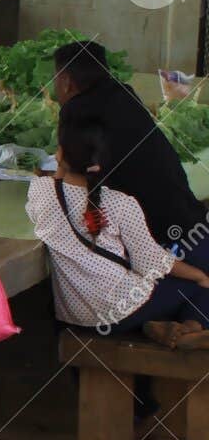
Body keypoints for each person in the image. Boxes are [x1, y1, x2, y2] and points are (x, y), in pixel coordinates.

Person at [29, 115, 209, 348]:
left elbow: (57, 185)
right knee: (199, 285)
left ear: (59, 155)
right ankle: (190, 331)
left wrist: (62, 169)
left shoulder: (40, 192)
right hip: (122, 309)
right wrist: (200, 276)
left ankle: (167, 328)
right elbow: (150, 263)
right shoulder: (120, 203)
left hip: (74, 315)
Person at [53, 40, 206, 257]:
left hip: (160, 238)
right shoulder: (124, 93)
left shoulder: (75, 110)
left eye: (55, 80)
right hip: (191, 220)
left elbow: (72, 175)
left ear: (66, 81)